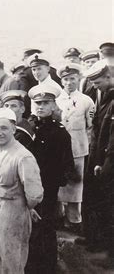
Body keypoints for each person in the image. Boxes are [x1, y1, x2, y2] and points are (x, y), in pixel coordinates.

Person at [0, 108, 43, 274]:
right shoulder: (0, 150)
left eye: (4, 128)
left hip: (14, 216)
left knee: (12, 264)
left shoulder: (23, 156)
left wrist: (25, 207)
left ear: (14, 129)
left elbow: (34, 194)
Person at [25, 84, 75, 274]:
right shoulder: (29, 127)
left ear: (54, 105)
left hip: (47, 188)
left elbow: (67, 163)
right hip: (28, 186)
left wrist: (54, 181)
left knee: (45, 227)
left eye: (46, 103)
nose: (41, 106)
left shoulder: (60, 132)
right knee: (29, 227)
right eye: (38, 103)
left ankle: (47, 267)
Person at [56, 64, 95, 231]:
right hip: (58, 149)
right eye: (65, 79)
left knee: (76, 184)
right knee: (58, 182)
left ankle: (74, 220)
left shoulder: (86, 101)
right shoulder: (56, 100)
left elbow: (90, 126)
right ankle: (57, 216)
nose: (69, 82)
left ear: (78, 79)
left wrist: (87, 146)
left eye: (72, 78)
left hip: (78, 148)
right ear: (61, 81)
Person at [83, 60, 113, 256]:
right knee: (95, 200)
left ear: (109, 77)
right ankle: (95, 241)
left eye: (98, 82)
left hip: (107, 162)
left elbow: (113, 138)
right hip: (96, 157)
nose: (94, 86)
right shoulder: (103, 95)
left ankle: (109, 251)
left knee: (108, 205)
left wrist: (105, 165)